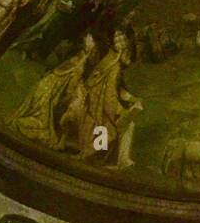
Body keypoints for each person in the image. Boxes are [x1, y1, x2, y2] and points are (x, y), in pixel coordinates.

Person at [60, 31, 141, 167]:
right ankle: (96, 156)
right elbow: (109, 93)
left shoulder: (115, 66)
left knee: (127, 124)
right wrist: (120, 108)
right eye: (125, 53)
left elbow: (117, 89)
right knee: (107, 126)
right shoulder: (112, 66)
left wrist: (132, 99)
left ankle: (117, 158)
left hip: (102, 103)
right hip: (97, 105)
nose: (127, 59)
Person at [10, 32, 99, 150]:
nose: (88, 45)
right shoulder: (77, 56)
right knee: (44, 103)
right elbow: (64, 71)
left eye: (91, 43)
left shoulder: (86, 62)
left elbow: (77, 78)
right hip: (55, 84)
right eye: (88, 42)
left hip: (66, 88)